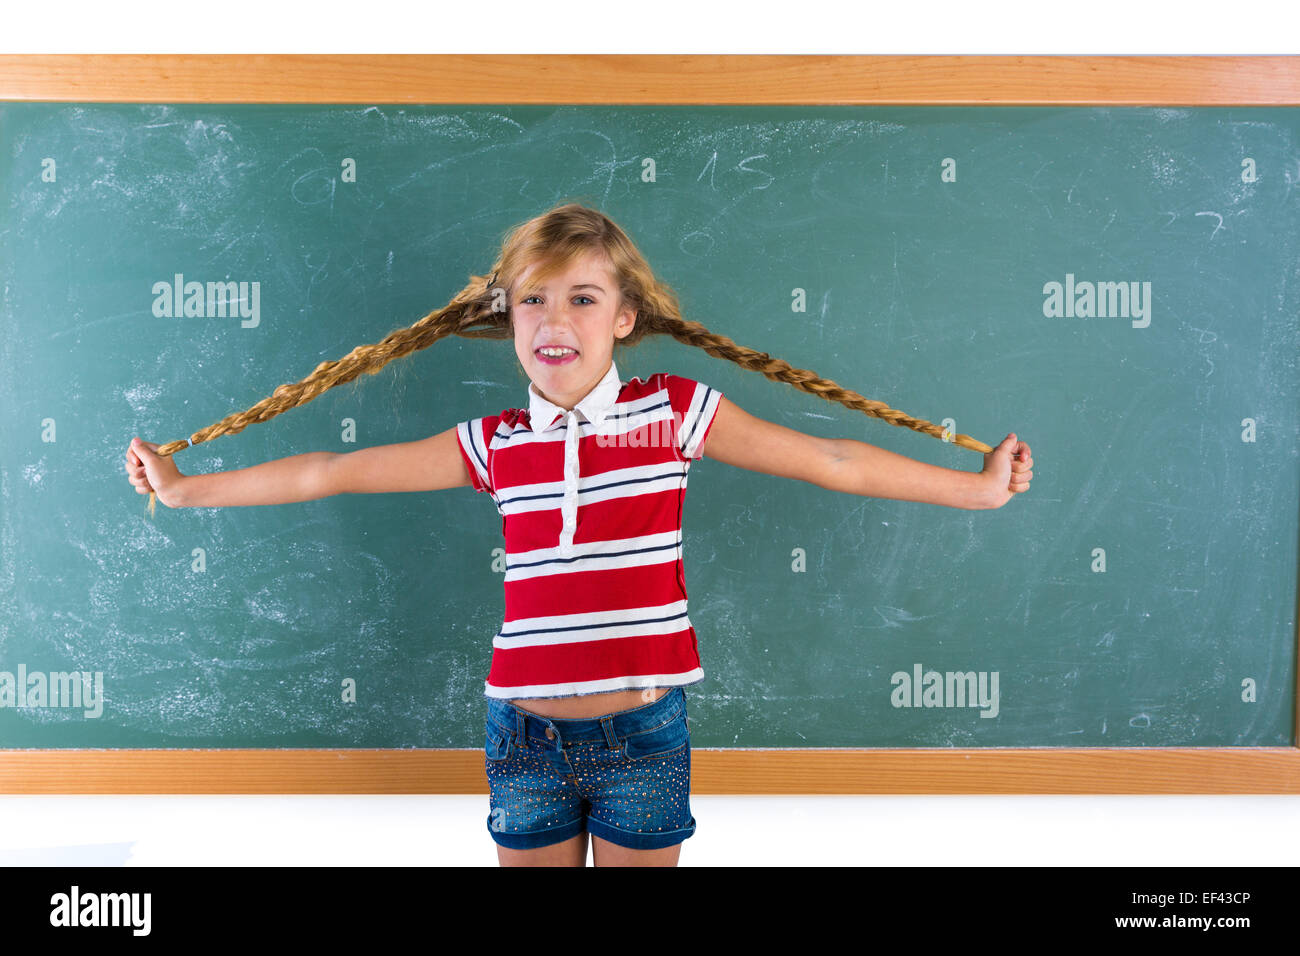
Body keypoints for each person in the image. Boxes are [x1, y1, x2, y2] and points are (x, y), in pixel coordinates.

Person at [124, 202, 1033, 866]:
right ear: (505, 317)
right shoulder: (495, 444)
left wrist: (979, 491)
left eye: (584, 299)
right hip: (523, 738)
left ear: (626, 318)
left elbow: (832, 463)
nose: (556, 321)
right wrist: (185, 487)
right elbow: (329, 471)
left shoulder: (674, 413)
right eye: (534, 301)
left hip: (643, 735)